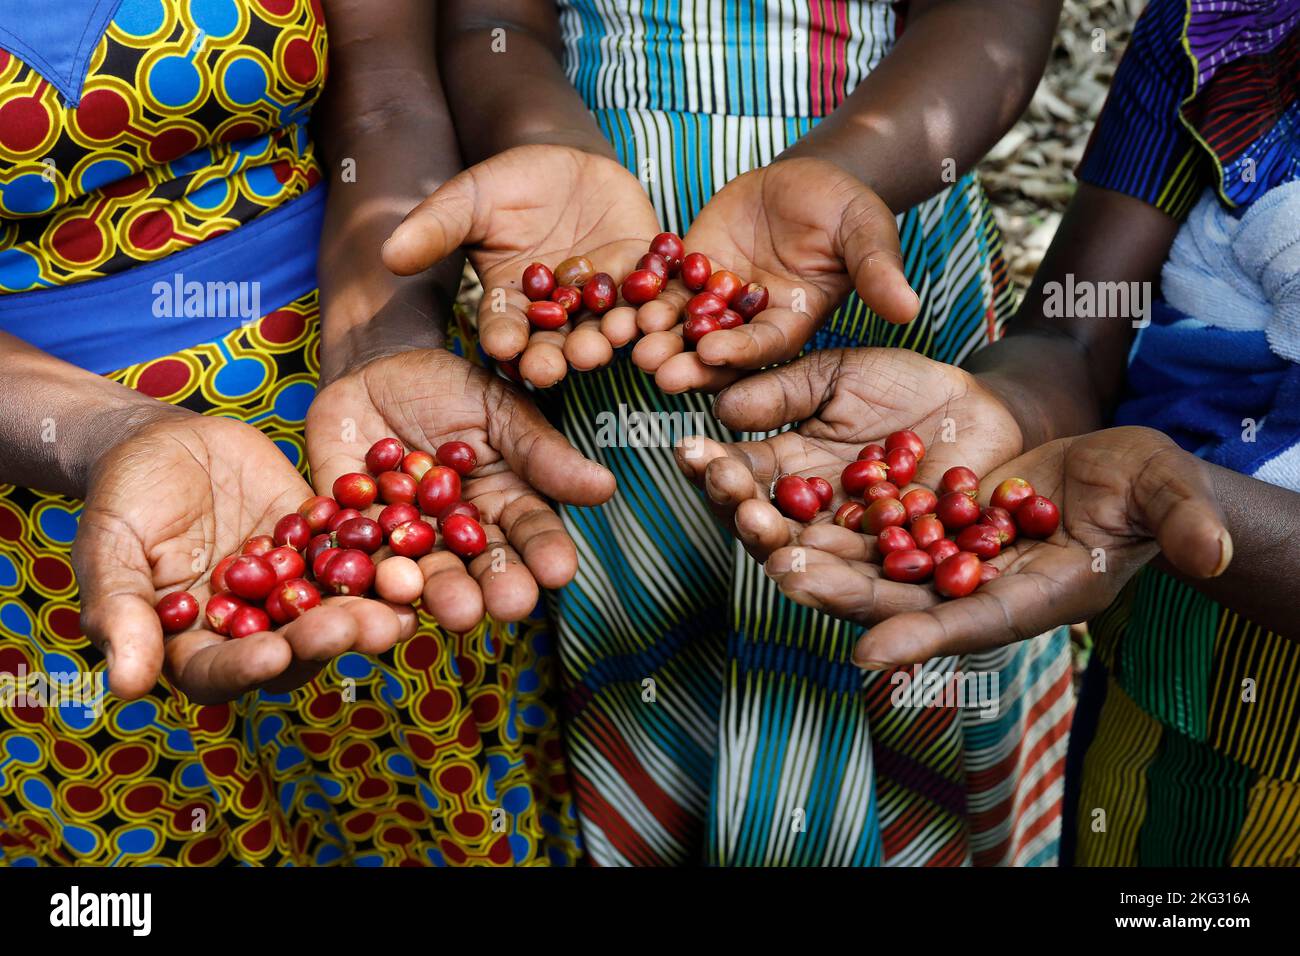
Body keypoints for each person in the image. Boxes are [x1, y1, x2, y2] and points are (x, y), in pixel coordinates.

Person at [384, 0, 1071, 865]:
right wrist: (551, 142)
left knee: (909, 576)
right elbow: (492, 24)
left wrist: (847, 165)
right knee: (654, 608)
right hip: (604, 230)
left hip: (873, 195)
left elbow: (994, 18)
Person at [691, 0, 1300, 866]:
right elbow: (1074, 330)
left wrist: (1203, 508)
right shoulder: (1223, 23)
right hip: (1157, 695)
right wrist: (1007, 408)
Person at [0, 0, 609, 866]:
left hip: (334, 377)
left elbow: (386, 100)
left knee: (418, 786)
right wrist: (104, 434)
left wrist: (386, 339)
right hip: (37, 465)